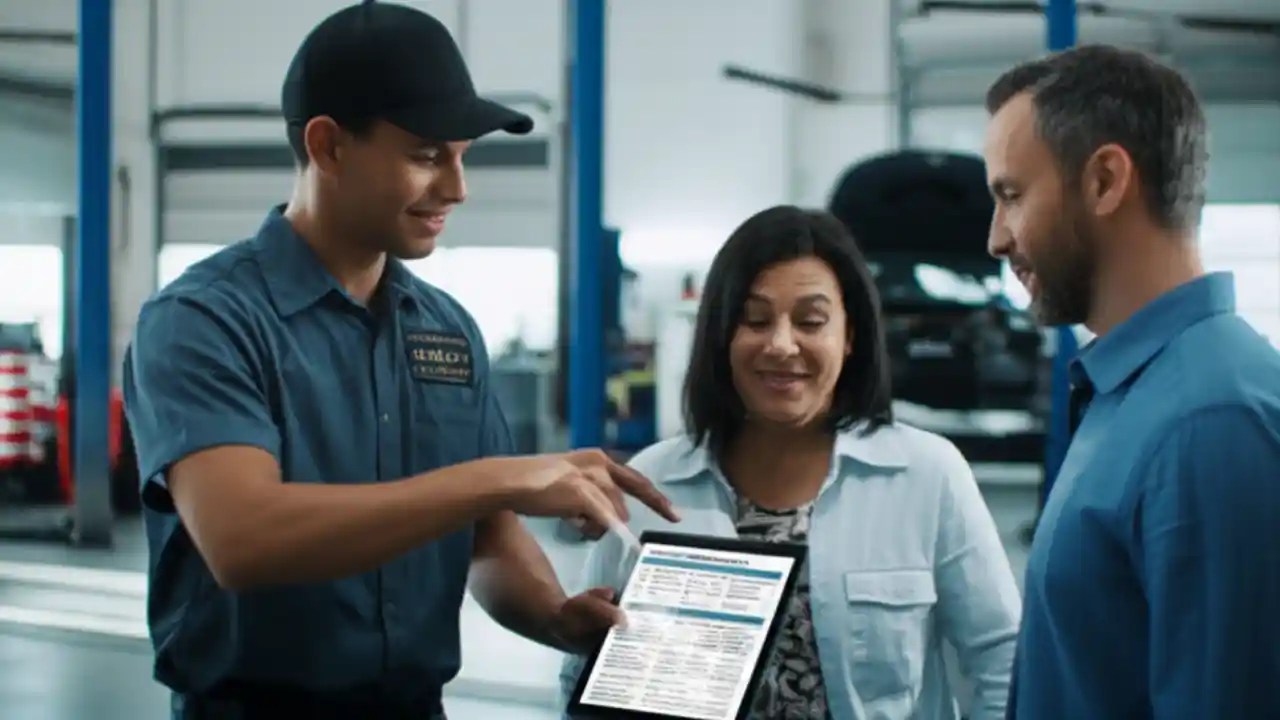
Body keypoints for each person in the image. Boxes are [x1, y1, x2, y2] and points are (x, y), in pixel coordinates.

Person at [121, 4, 677, 718]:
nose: (457, 187)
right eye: (425, 154)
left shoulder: (446, 328)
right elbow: (242, 537)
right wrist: (493, 478)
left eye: (462, 155)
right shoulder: (204, 320)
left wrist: (555, 616)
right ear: (328, 146)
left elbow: (489, 539)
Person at [559, 206, 1022, 719]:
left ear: (849, 336)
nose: (781, 345)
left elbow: (1002, 659)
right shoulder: (651, 483)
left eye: (811, 321)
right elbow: (582, 671)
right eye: (755, 320)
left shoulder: (928, 475)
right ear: (721, 335)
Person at [983, 44, 1280, 719]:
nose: (997, 238)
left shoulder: (1211, 422)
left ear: (1104, 182)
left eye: (1011, 195)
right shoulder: (1136, 394)